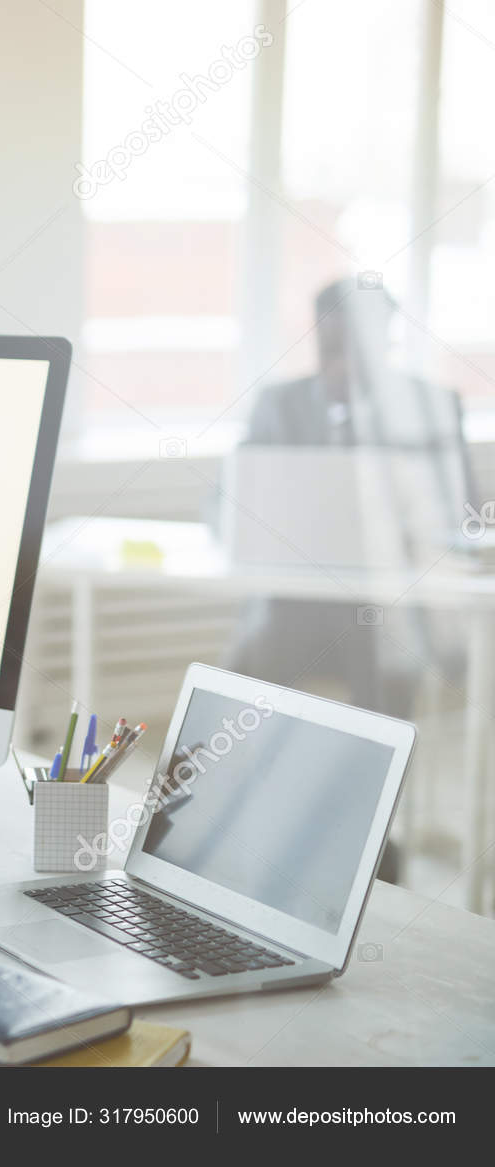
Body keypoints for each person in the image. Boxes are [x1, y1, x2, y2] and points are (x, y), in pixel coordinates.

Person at [220, 278, 477, 882]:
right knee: (239, 675)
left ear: (385, 339)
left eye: (357, 343)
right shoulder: (280, 405)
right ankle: (264, 830)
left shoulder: (427, 402)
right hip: (294, 603)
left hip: (389, 604)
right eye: (332, 342)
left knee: (390, 673)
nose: (344, 359)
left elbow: (460, 507)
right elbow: (228, 506)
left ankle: (373, 845)